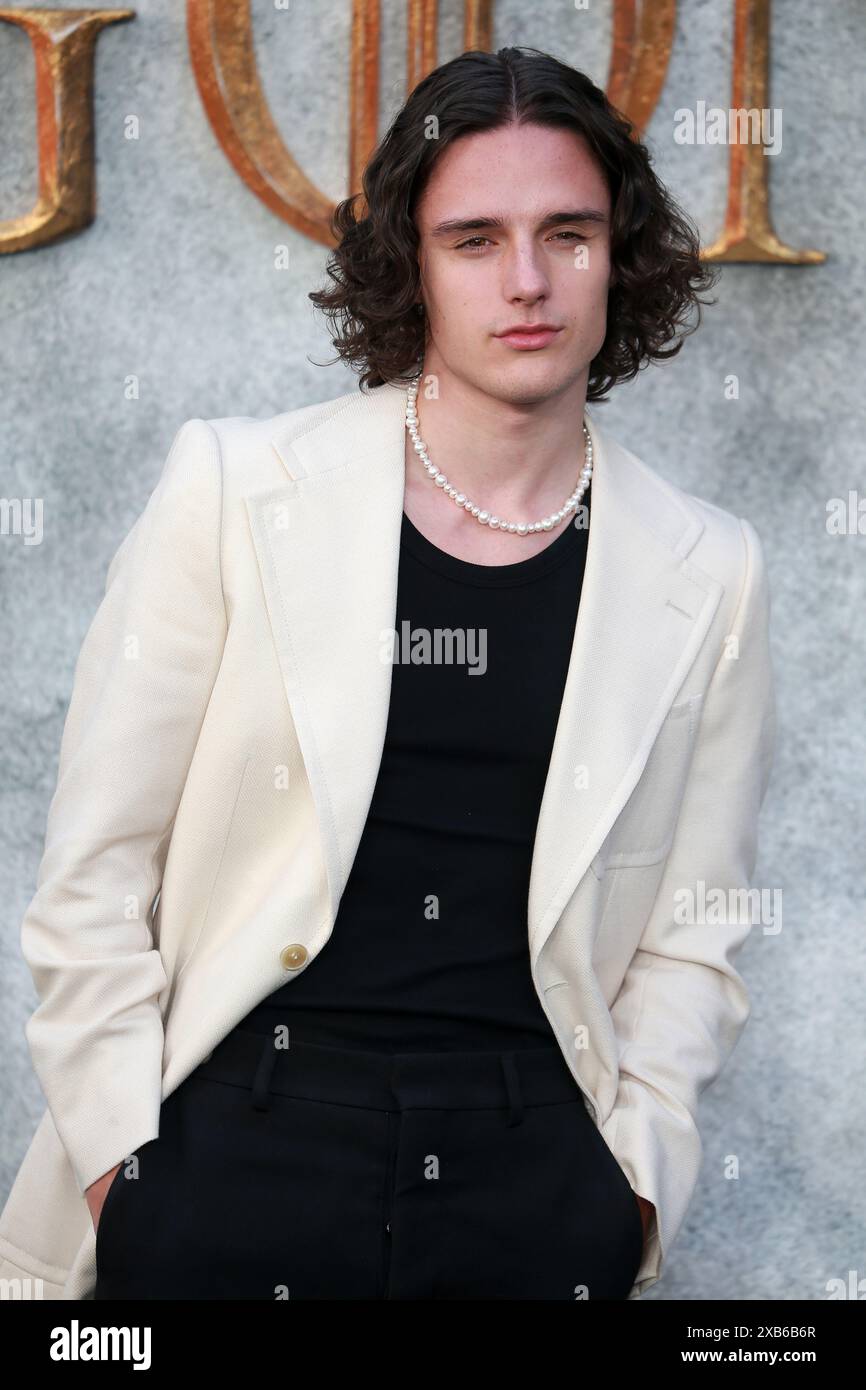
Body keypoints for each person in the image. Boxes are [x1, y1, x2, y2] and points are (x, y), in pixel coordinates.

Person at [0, 46, 775, 1301]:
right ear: (410, 265)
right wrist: (125, 1173)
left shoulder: (709, 566)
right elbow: (93, 872)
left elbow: (695, 936)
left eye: (565, 233)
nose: (525, 280)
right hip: (233, 1140)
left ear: (615, 254)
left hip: (533, 1175)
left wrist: (625, 1196)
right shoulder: (235, 490)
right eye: (473, 238)